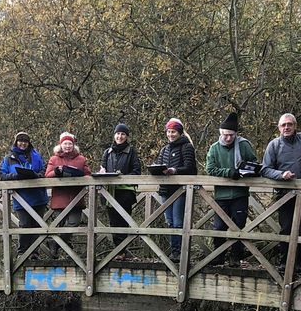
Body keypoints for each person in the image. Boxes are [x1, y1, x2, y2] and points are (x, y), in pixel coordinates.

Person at [260, 113, 301, 268]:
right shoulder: (273, 145)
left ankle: (299, 264)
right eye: (283, 125)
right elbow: (265, 169)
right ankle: (285, 263)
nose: (286, 127)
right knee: (286, 229)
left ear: (295, 126)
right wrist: (281, 175)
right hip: (284, 193)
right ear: (279, 128)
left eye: (289, 124)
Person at [204, 113, 258, 266]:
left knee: (238, 226)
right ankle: (218, 256)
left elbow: (253, 162)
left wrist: (248, 169)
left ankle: (235, 258)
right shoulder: (214, 148)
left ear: (236, 134)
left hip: (240, 193)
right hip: (222, 194)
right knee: (219, 227)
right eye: (225, 135)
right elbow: (210, 169)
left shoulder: (243, 145)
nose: (227, 138)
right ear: (220, 133)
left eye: (231, 135)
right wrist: (229, 172)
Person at [152, 117, 197, 260]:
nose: (170, 134)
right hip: (165, 189)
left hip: (181, 189)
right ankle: (174, 251)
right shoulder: (164, 149)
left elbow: (191, 168)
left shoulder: (187, 147)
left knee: (178, 222)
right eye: (169, 131)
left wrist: (174, 170)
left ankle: (179, 253)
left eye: (173, 132)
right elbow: (159, 164)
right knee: (170, 222)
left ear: (179, 132)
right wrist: (156, 169)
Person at [0, 131, 49, 257]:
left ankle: (35, 254)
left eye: (25, 141)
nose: (23, 143)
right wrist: (16, 176)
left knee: (37, 225)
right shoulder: (9, 158)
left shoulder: (36, 155)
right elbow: (1, 175)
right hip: (21, 198)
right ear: (16, 142)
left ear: (29, 143)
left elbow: (45, 169)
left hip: (38, 196)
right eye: (20, 141)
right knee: (25, 225)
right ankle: (23, 253)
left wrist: (38, 175)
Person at [45, 132, 92, 256]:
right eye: (65, 143)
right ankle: (61, 250)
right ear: (61, 145)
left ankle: (55, 243)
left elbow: (88, 174)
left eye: (69, 143)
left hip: (77, 198)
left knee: (74, 223)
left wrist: (86, 178)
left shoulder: (81, 159)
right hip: (60, 199)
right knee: (60, 225)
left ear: (73, 145)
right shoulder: (54, 159)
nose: (67, 146)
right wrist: (56, 171)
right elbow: (47, 176)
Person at [99, 123, 142, 255]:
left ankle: (121, 252)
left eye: (123, 134)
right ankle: (119, 252)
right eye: (118, 133)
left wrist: (122, 177)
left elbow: (137, 171)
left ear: (127, 137)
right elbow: (102, 168)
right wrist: (102, 172)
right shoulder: (107, 152)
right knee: (113, 222)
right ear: (114, 135)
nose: (120, 136)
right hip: (109, 193)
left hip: (125, 193)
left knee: (123, 222)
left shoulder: (132, 152)